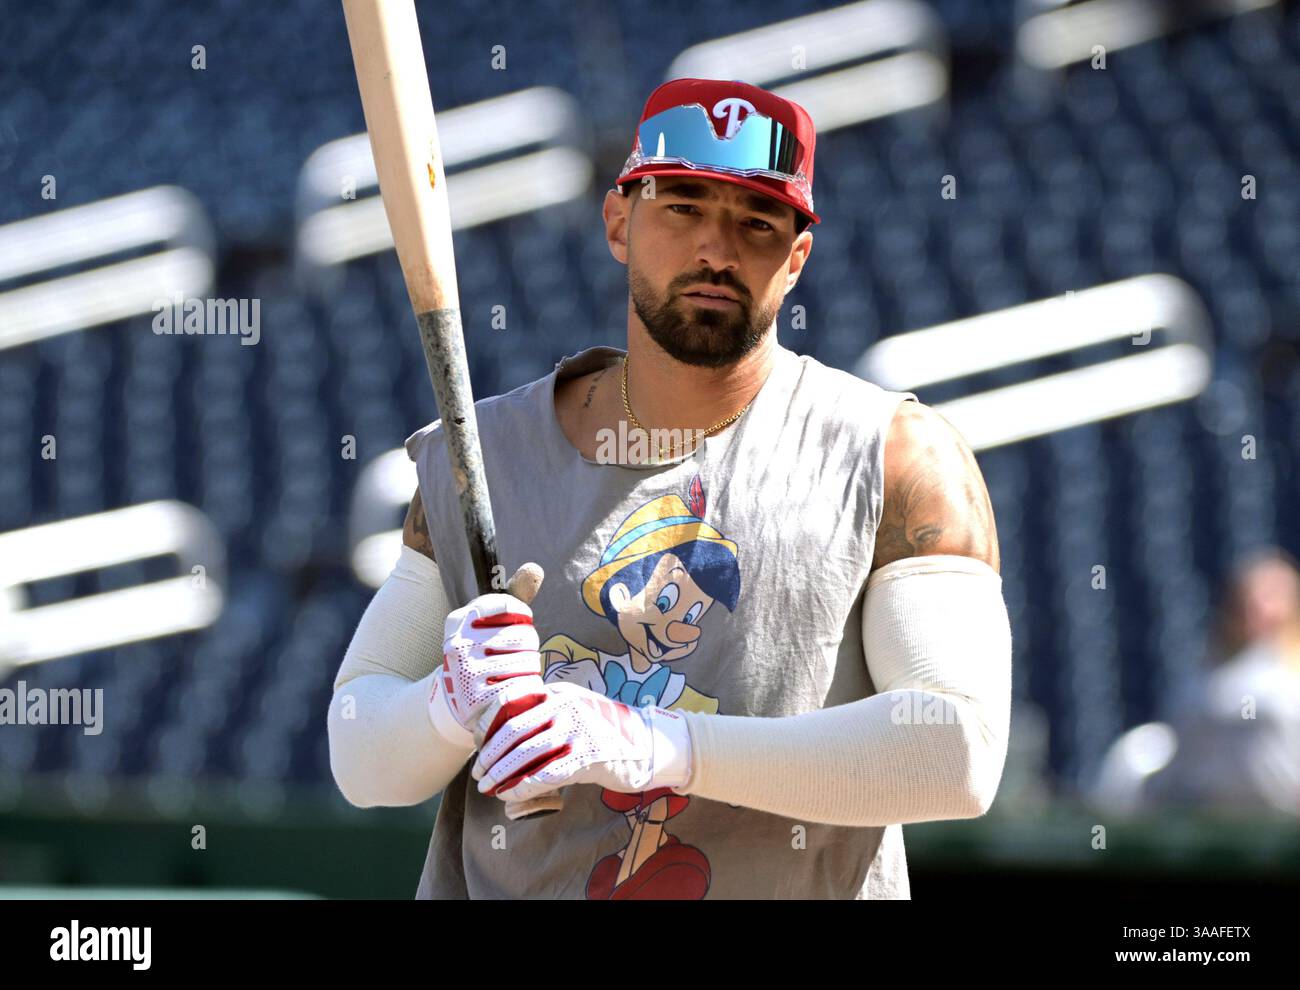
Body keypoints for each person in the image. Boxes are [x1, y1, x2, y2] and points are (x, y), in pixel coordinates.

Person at [328, 78, 1012, 899]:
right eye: (682, 207)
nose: (716, 252)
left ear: (796, 258)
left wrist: (654, 744)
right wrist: (447, 704)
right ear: (620, 220)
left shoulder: (897, 456)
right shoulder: (485, 456)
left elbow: (959, 751)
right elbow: (359, 755)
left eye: (757, 224)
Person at [1140, 547, 1300, 815]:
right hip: (1214, 827)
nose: (1259, 605)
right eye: (1250, 596)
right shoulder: (1204, 675)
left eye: (1272, 596)